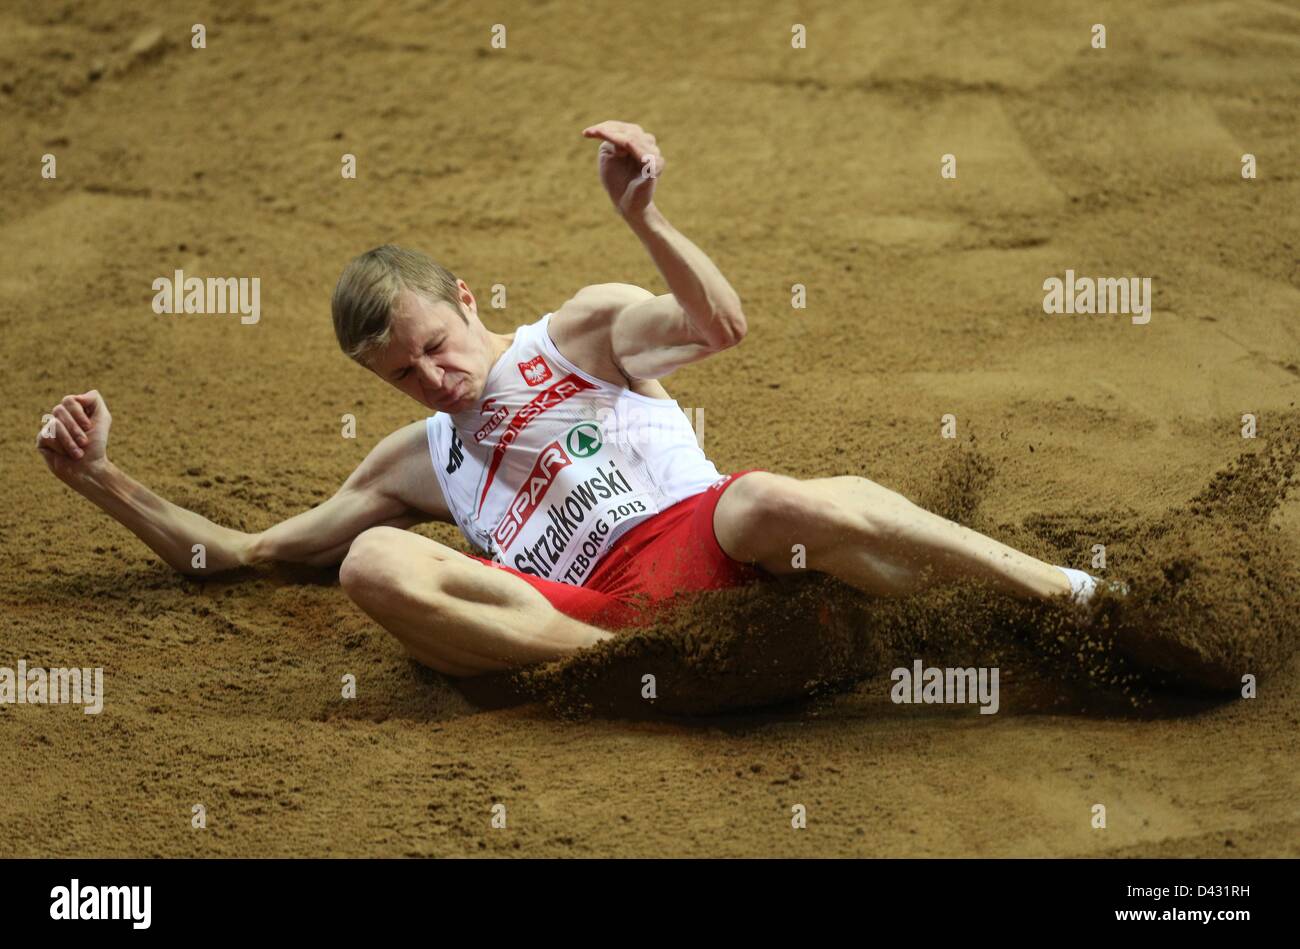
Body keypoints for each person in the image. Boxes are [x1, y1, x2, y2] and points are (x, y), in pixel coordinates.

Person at [36, 120, 1108, 677]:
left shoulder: (577, 333)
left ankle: (1063, 594)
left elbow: (721, 326)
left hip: (698, 540)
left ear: (464, 300)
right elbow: (241, 554)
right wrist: (98, 481)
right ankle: (643, 671)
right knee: (370, 560)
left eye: (439, 348)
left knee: (767, 499)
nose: (437, 380)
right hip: (588, 617)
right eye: (402, 376)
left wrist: (646, 220)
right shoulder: (418, 461)